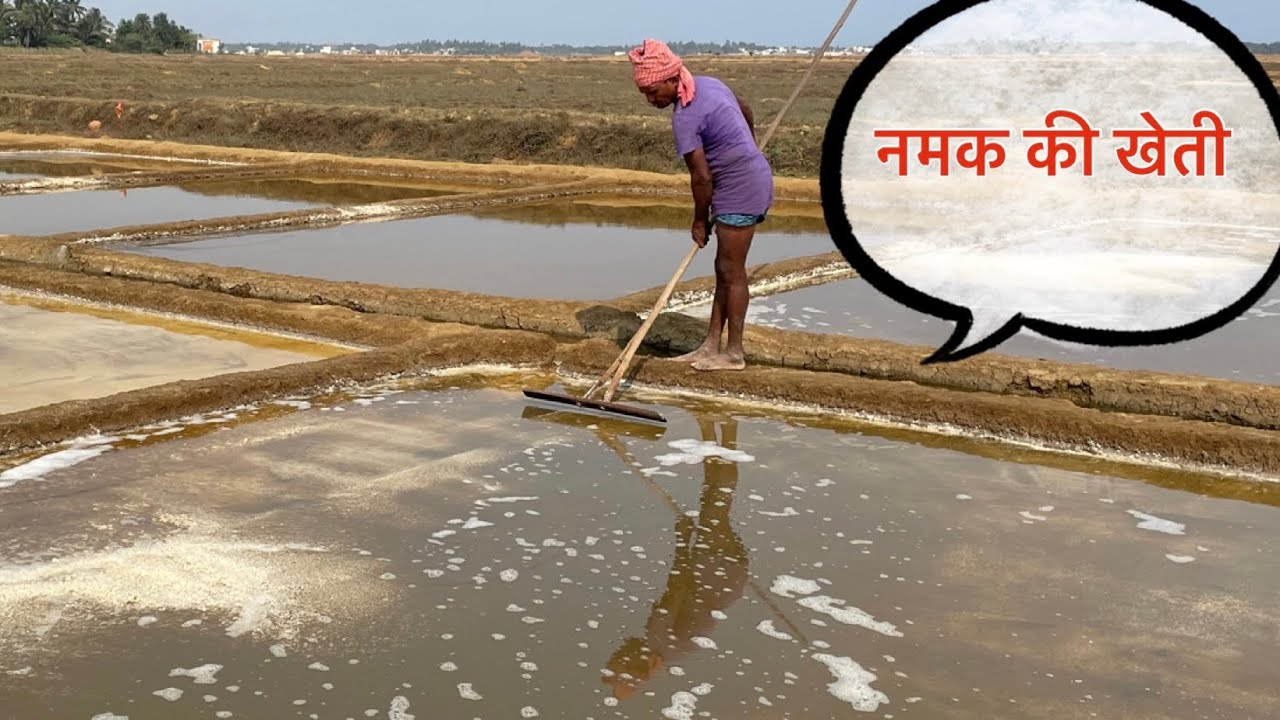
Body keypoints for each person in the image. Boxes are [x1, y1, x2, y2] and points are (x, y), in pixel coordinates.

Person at [628, 38, 774, 372]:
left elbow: (701, 178)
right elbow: (746, 107)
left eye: (653, 92)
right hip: (739, 180)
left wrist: (698, 221)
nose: (651, 101)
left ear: (670, 79)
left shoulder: (685, 117)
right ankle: (710, 346)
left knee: (732, 272)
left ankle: (733, 353)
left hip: (742, 186)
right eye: (645, 95)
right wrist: (748, 144)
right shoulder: (709, 84)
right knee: (723, 270)